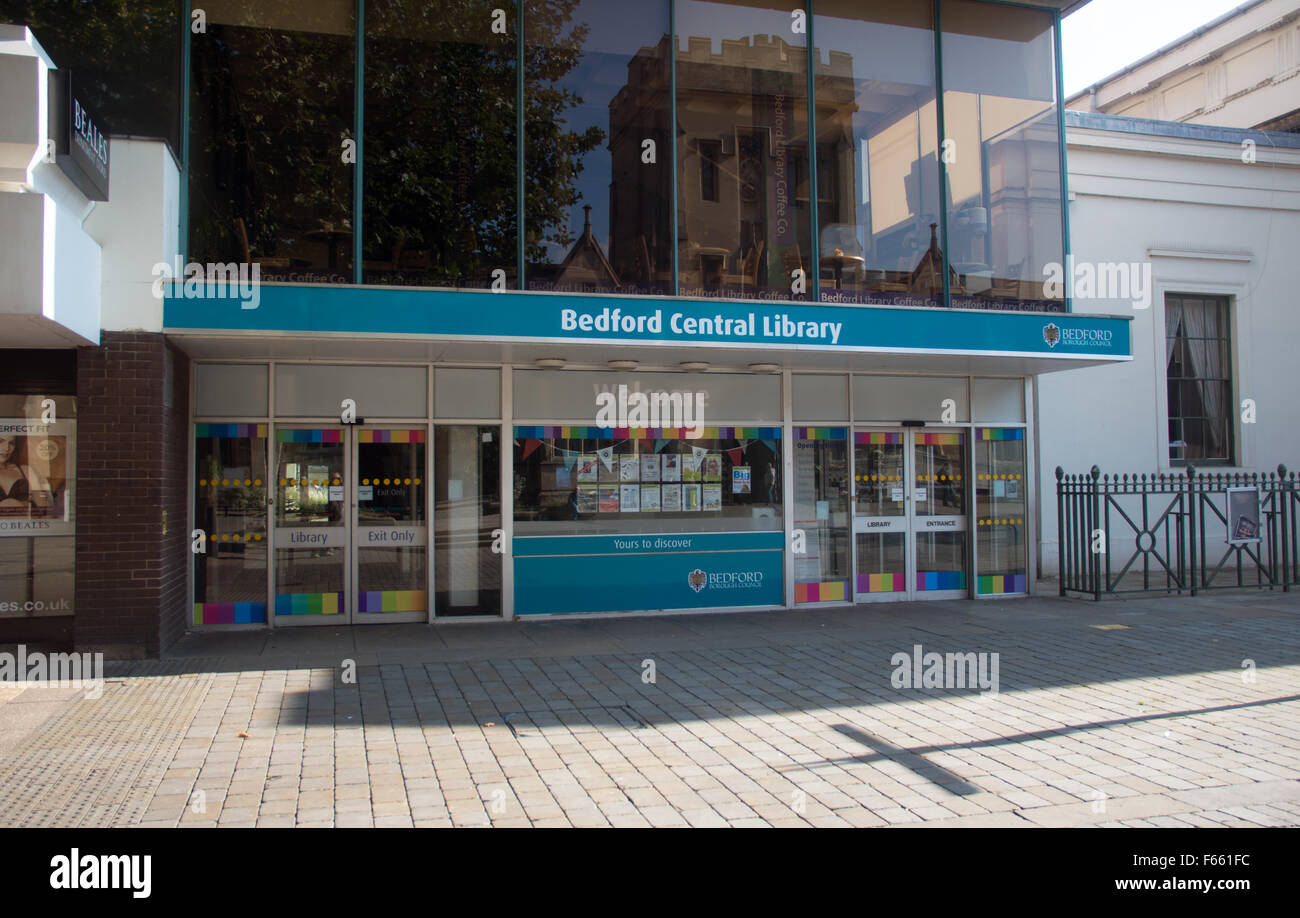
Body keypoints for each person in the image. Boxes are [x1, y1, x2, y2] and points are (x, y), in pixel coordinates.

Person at [0, 435, 54, 516]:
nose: (7, 448)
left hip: (26, 526)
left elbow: (45, 510)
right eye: (0, 441)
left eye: (11, 443)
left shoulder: (26, 471)